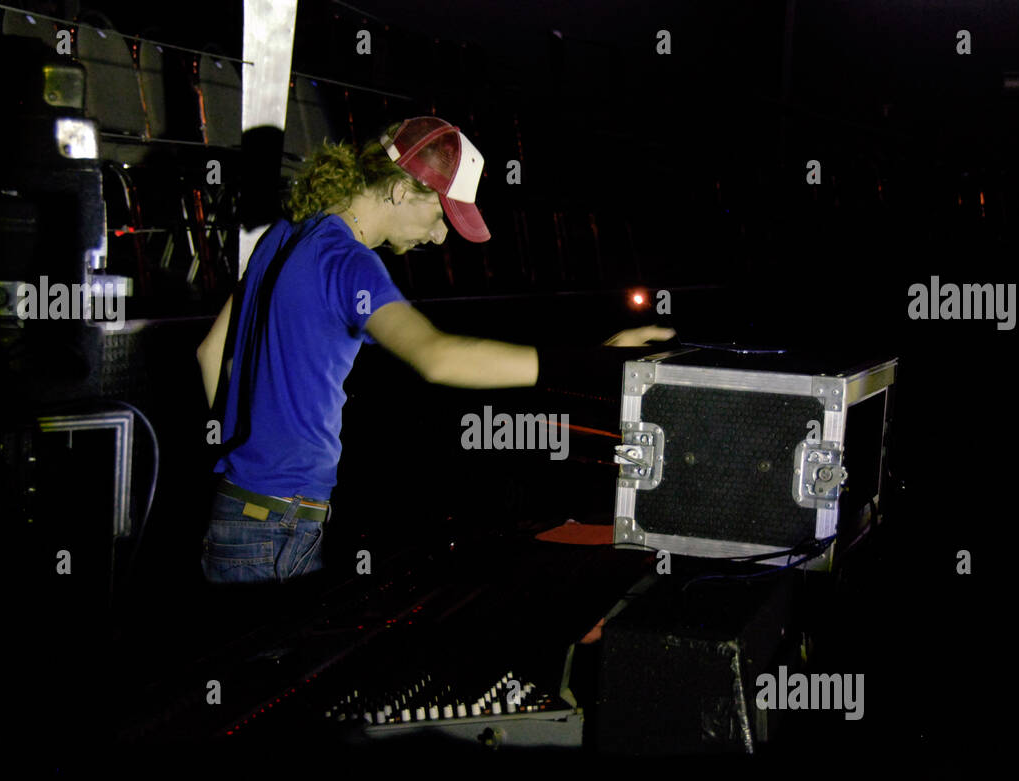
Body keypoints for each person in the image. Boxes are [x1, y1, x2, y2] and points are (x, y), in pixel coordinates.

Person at [196, 116, 674, 585]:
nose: (442, 235)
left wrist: (251, 457)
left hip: (237, 509)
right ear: (402, 191)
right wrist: (593, 365)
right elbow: (436, 356)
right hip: (280, 526)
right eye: (441, 215)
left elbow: (210, 353)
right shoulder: (349, 263)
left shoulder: (286, 232)